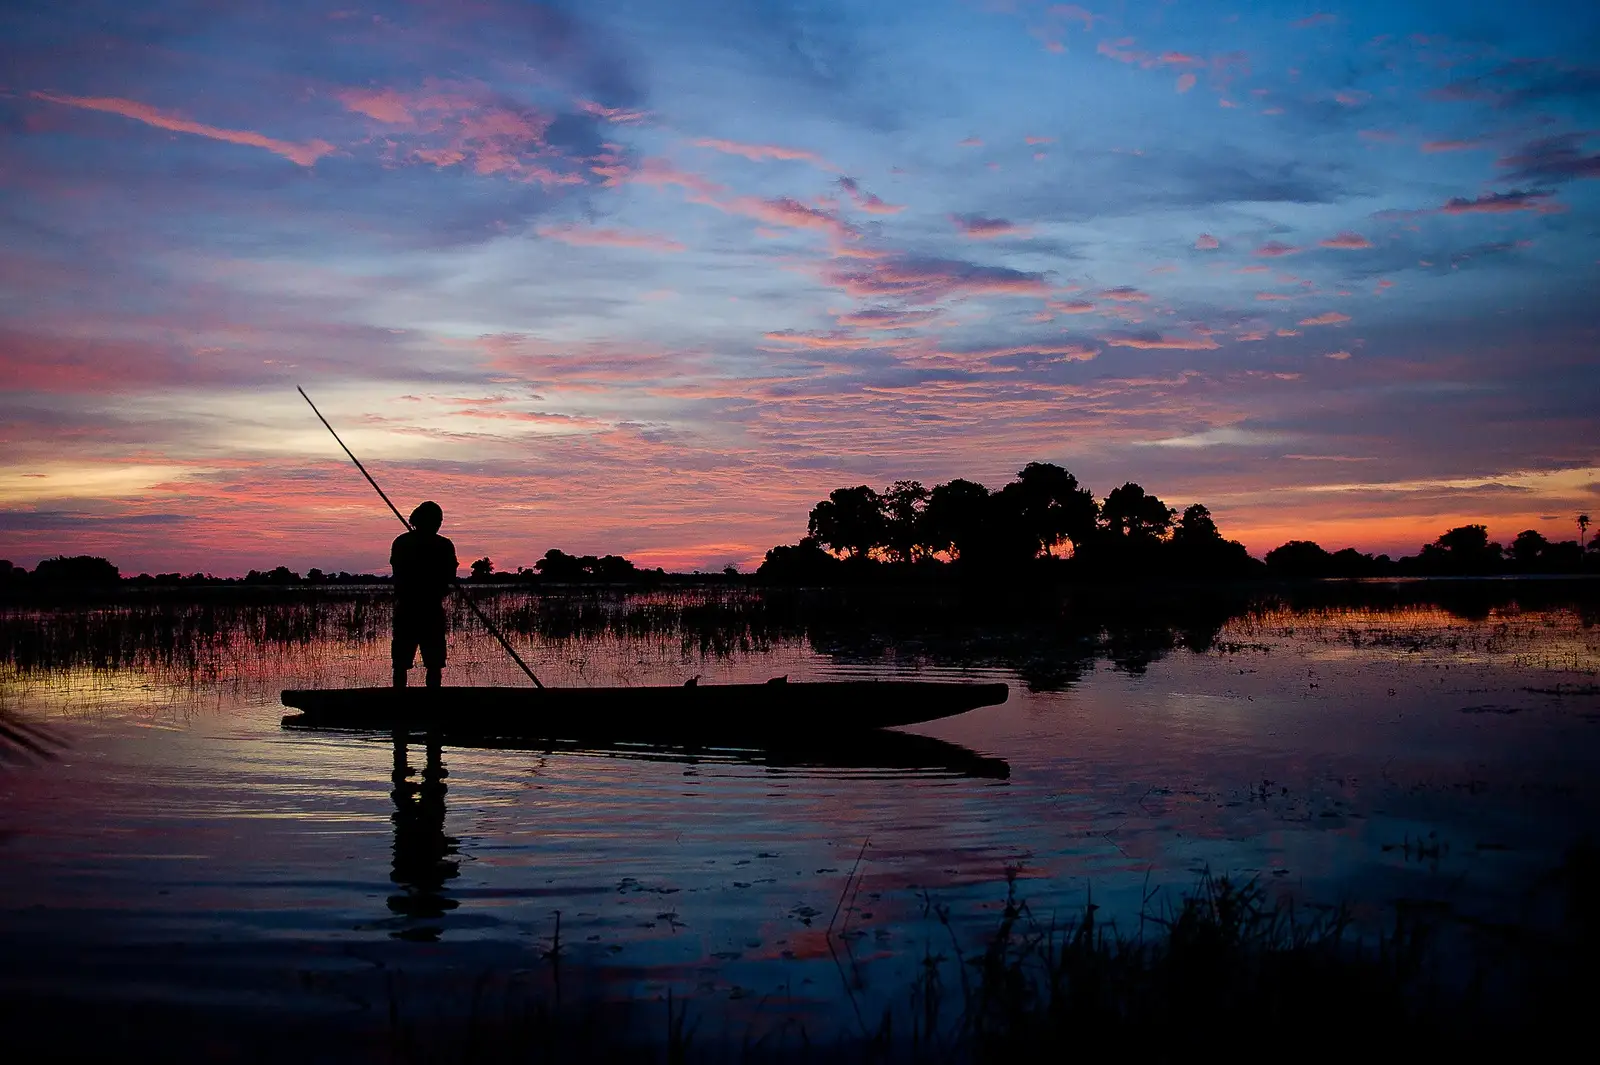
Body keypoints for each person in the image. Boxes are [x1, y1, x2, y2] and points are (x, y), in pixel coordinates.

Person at [391, 501, 458, 688]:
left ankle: (432, 703)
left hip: (428, 611)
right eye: (436, 520)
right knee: (401, 663)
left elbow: (448, 578)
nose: (438, 524)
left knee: (433, 664)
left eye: (439, 520)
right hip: (410, 611)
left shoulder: (440, 545)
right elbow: (400, 576)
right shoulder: (405, 543)